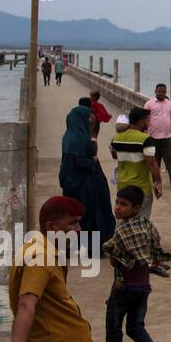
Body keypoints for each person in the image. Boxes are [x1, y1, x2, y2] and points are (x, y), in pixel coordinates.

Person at [7, 196, 99, 342]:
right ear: (51, 227)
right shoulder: (41, 258)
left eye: (79, 223)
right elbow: (27, 303)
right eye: (72, 224)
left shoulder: (38, 246)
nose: (78, 230)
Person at [100, 186, 170, 342]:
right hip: (143, 287)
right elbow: (156, 248)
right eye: (117, 202)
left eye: (123, 204)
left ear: (136, 208)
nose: (118, 208)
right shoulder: (148, 226)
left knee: (113, 331)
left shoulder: (121, 231)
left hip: (123, 288)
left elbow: (114, 259)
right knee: (135, 326)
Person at [59, 104, 113, 256]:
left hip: (74, 183)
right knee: (88, 216)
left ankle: (80, 247)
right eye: (88, 118)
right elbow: (79, 163)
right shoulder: (79, 139)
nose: (91, 120)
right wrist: (93, 160)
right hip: (83, 185)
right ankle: (88, 247)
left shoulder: (70, 135)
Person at [110, 107, 163, 218]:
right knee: (141, 222)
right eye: (148, 120)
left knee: (124, 221)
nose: (149, 124)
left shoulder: (116, 137)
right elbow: (152, 163)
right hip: (141, 189)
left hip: (123, 187)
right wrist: (158, 182)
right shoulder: (145, 139)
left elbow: (114, 155)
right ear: (141, 121)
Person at [144, 83, 171, 188]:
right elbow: (145, 118)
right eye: (159, 91)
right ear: (155, 91)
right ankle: (155, 182)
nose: (161, 93)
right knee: (155, 161)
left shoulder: (169, 103)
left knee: (169, 160)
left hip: (167, 137)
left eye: (163, 91)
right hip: (153, 137)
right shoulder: (149, 104)